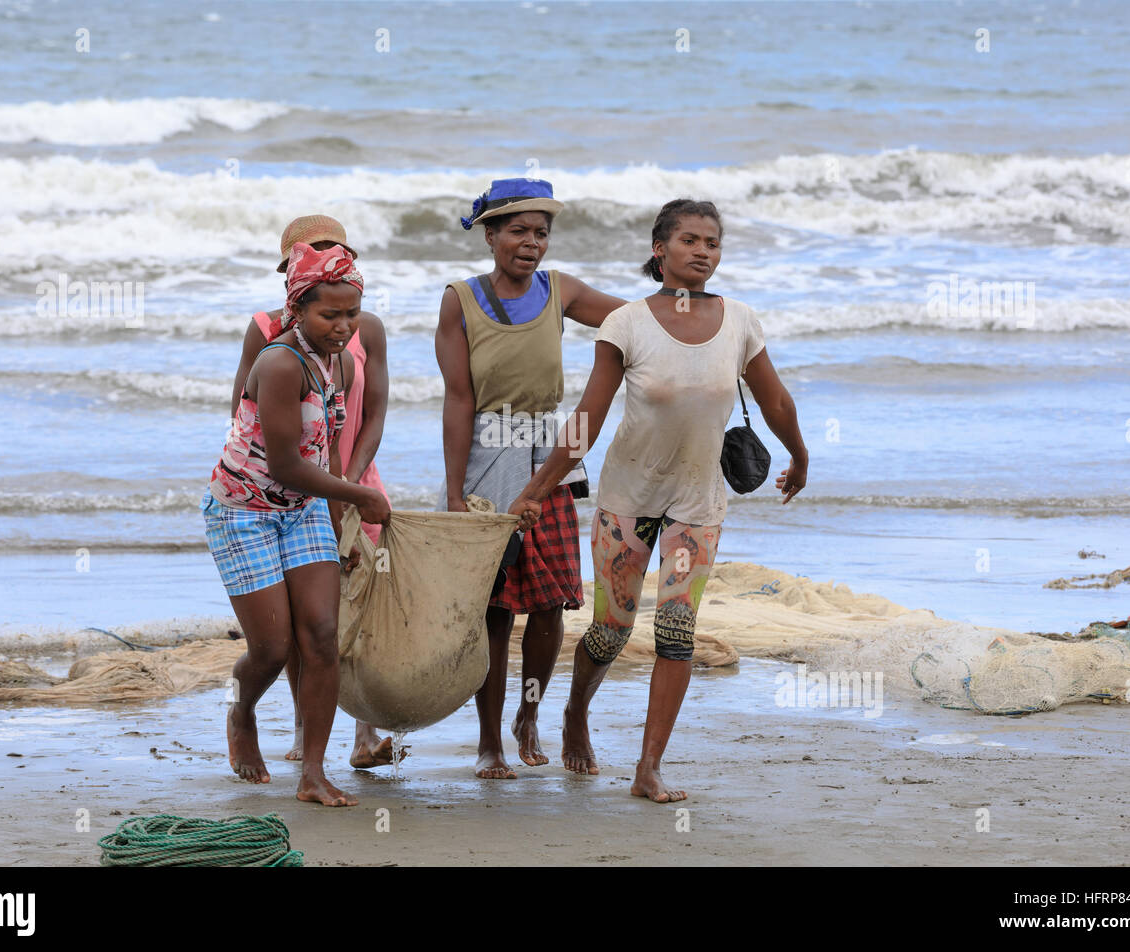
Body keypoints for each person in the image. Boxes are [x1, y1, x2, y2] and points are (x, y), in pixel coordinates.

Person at [508, 199, 809, 802]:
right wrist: (537, 489)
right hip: (628, 496)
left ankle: (648, 768)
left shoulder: (741, 320)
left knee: (677, 631)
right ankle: (573, 713)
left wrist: (800, 456)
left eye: (713, 242)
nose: (703, 251)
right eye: (690, 240)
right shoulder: (626, 323)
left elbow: (775, 401)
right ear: (660, 249)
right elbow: (587, 418)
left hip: (697, 502)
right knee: (612, 630)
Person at [435, 178, 626, 779]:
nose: (531, 242)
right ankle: (489, 741)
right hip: (488, 462)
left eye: (541, 232)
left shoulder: (559, 290)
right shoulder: (459, 300)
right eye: (517, 230)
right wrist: (454, 492)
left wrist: (688, 300)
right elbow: (459, 401)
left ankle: (530, 714)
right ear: (489, 235)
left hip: (552, 460)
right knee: (494, 609)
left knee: (550, 603)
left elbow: (632, 323)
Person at [203, 242, 391, 807]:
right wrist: (363, 494)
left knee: (322, 639)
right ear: (297, 309)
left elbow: (327, 449)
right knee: (271, 646)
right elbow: (286, 464)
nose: (342, 326)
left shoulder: (341, 362)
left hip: (304, 508)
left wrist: (345, 524)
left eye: (350, 314)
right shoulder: (280, 363)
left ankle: (312, 772)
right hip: (244, 510)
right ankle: (242, 712)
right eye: (328, 315)